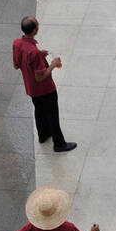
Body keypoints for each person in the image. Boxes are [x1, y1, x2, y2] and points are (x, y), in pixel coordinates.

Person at [12, 16, 75, 153]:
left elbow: (17, 65)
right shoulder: (33, 52)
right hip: (45, 89)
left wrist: (39, 54)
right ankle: (59, 144)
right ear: (35, 30)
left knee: (39, 110)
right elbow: (40, 77)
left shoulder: (17, 43)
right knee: (53, 114)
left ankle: (43, 134)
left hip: (31, 88)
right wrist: (53, 64)